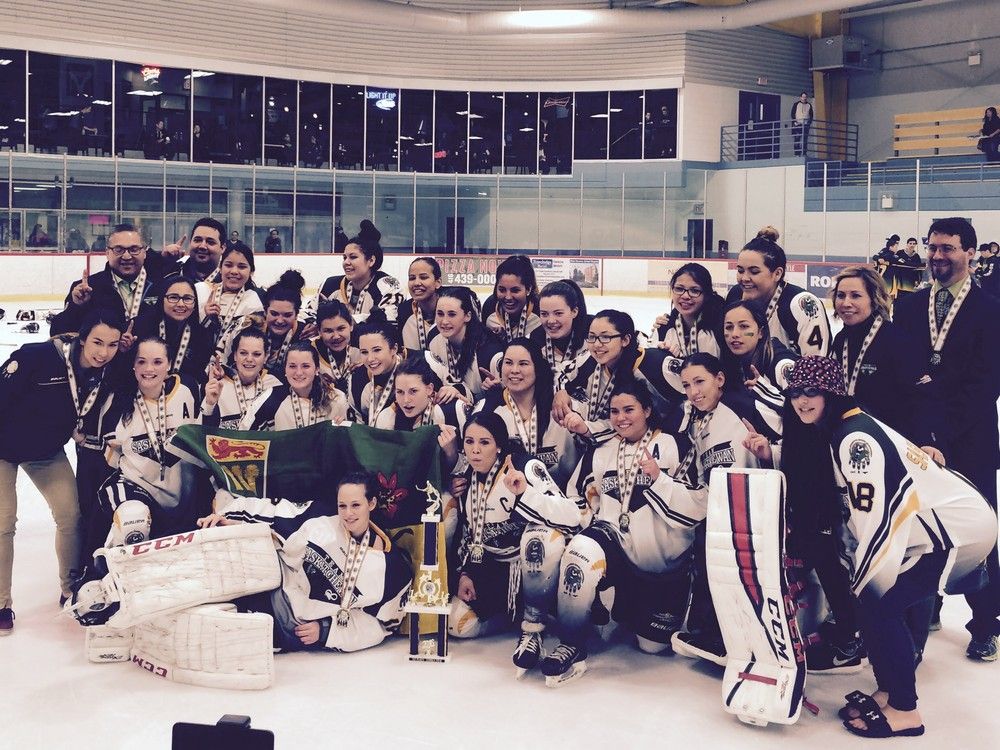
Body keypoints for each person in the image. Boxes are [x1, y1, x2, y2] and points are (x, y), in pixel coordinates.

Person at [763, 356, 996, 738]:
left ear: (831, 393)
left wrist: (865, 576)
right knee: (874, 605)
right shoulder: (841, 426)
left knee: (879, 605)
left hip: (957, 529)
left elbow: (878, 520)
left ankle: (905, 711)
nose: (801, 402)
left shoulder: (855, 438)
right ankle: (890, 691)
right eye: (795, 394)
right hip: (935, 526)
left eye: (811, 392)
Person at [526, 378, 699, 685]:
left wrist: (661, 481)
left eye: (629, 409)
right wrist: (529, 499)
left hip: (662, 566)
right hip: (615, 543)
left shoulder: (676, 446)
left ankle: (620, 608)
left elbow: (697, 507)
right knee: (581, 550)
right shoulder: (601, 452)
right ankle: (572, 643)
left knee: (652, 647)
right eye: (615, 411)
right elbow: (577, 505)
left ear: (647, 410)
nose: (621, 418)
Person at [892, 216, 1000, 661]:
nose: (937, 256)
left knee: (979, 532)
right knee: (922, 527)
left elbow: (985, 383)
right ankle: (927, 605)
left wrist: (943, 433)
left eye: (948, 248)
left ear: (970, 253)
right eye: (933, 248)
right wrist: (924, 433)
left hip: (969, 437)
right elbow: (906, 373)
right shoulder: (911, 306)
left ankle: (985, 622)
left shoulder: (990, 308)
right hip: (921, 440)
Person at [0, 309, 126, 634]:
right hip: (2, 450)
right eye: (97, 342)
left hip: (45, 453)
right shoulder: (37, 357)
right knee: (4, 523)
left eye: (112, 345)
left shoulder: (107, 372)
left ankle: (71, 589)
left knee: (71, 516)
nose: (103, 352)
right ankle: (1, 604)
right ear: (82, 338)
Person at [198, 471, 413, 653]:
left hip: (289, 626)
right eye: (342, 506)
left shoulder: (393, 569)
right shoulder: (321, 518)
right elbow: (274, 512)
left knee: (208, 635)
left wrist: (326, 630)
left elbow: (380, 627)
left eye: (355, 505)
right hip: (268, 581)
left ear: (372, 503)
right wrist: (226, 516)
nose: (347, 514)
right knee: (199, 594)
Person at [668, 352, 780, 664]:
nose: (693, 392)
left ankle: (728, 636)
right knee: (708, 562)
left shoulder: (742, 407)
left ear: (719, 379)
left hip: (752, 507)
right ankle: (711, 632)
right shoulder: (696, 417)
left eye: (700, 382)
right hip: (720, 506)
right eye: (687, 385)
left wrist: (767, 451)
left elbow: (788, 438)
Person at [449, 412, 583, 640]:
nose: (475, 450)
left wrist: (525, 493)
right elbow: (468, 535)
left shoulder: (525, 466)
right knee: (457, 625)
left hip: (532, 568)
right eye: (469, 442)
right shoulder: (466, 477)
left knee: (540, 539)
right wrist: (464, 575)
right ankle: (513, 617)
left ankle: (538, 610)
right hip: (491, 566)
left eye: (484, 442)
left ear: (499, 446)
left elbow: (572, 516)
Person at [95, 337, 203, 554]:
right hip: (139, 488)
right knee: (132, 518)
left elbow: (202, 437)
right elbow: (111, 457)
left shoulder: (188, 389)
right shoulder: (117, 403)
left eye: (157, 362)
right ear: (133, 364)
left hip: (184, 492)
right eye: (141, 361)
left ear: (170, 364)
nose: (148, 369)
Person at [552, 310, 682, 446]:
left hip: (665, 441)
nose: (596, 344)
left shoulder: (656, 363)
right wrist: (561, 391)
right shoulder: (590, 359)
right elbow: (560, 372)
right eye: (591, 337)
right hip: (622, 440)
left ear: (625, 340)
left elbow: (691, 392)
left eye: (605, 337)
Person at [475, 338, 578, 485]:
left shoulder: (562, 406)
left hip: (561, 499)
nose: (514, 370)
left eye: (523, 363)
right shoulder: (486, 410)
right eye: (508, 362)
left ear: (537, 368)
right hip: (508, 499)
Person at [50, 223, 173, 335]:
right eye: (118, 250)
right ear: (107, 253)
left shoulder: (162, 287)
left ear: (144, 252)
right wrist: (76, 307)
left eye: (134, 249)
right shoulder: (88, 289)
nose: (126, 256)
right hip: (103, 359)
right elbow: (58, 332)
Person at [726, 226, 830, 356]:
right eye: (740, 271)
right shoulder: (735, 296)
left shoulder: (802, 305)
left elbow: (816, 367)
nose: (745, 278)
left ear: (777, 274)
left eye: (754, 272)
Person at [373, 353, 465, 472]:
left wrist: (452, 456)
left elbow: (472, 465)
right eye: (400, 392)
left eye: (413, 391)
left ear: (429, 389)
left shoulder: (453, 411)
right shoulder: (387, 418)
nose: (406, 400)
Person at [120, 276, 213, 384]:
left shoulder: (201, 335)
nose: (180, 304)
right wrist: (123, 351)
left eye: (187, 298)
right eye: (173, 297)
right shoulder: (138, 327)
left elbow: (200, 375)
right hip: (139, 392)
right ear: (161, 299)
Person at [310, 220, 402, 326]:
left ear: (371, 260)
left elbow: (388, 322)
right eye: (344, 257)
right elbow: (308, 312)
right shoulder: (329, 284)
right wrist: (313, 324)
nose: (346, 262)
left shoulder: (388, 286)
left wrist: (338, 322)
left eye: (353, 257)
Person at [240, 341, 348, 430]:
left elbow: (347, 442)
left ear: (317, 369)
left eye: (305, 366)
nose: (299, 372)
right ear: (285, 370)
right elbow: (245, 432)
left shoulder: (336, 399)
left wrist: (342, 430)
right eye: (292, 366)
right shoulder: (270, 398)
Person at [429, 287, 503, 402]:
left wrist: (499, 388)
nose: (444, 321)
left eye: (452, 314)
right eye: (440, 314)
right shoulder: (433, 337)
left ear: (467, 316)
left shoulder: (489, 351)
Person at [200, 328, 282, 430]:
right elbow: (202, 435)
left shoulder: (275, 385)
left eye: (256, 354)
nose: (249, 359)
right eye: (243, 353)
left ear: (265, 357)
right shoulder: (218, 386)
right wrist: (210, 405)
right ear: (235, 355)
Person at [196, 242, 264, 361]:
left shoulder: (253, 301)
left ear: (251, 271)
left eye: (242, 267)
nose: (234, 271)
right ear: (220, 268)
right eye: (228, 265)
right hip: (197, 363)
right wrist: (205, 318)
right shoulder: (201, 291)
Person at [653, 262, 724, 358]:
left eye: (695, 291)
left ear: (706, 295)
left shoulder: (721, 329)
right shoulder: (664, 328)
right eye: (679, 289)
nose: (685, 296)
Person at [530, 279, 591, 375]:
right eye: (544, 314)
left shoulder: (591, 335)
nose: (551, 321)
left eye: (558, 313)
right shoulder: (534, 340)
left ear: (574, 312)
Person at [259, 270, 307, 376]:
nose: (280, 320)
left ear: (297, 314)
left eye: (287, 315)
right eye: (274, 314)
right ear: (265, 311)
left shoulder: (306, 336)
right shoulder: (254, 330)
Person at [485, 255, 542, 343]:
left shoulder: (540, 310)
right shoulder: (489, 306)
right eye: (502, 290)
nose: (508, 297)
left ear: (529, 289)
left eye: (515, 290)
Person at [162, 217, 227, 284]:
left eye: (210, 242)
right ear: (190, 242)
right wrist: (162, 262)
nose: (202, 246)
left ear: (223, 248)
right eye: (197, 240)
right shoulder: (171, 274)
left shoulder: (231, 280)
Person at [312, 300, 358, 392]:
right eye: (328, 331)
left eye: (341, 328)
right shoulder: (309, 351)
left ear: (351, 325)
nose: (336, 336)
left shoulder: (364, 345)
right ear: (319, 331)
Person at [398, 256, 442, 351]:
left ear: (438, 282)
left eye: (423, 277)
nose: (416, 283)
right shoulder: (403, 311)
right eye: (412, 278)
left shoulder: (452, 307)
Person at [790, 92, 813, 157]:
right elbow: (792, 114)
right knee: (797, 138)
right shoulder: (796, 104)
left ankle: (804, 153)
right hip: (798, 124)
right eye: (803, 97)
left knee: (805, 139)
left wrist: (809, 123)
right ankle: (797, 154)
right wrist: (795, 121)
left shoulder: (809, 105)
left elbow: (811, 115)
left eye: (805, 97)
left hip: (805, 125)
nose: (804, 98)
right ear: (800, 97)